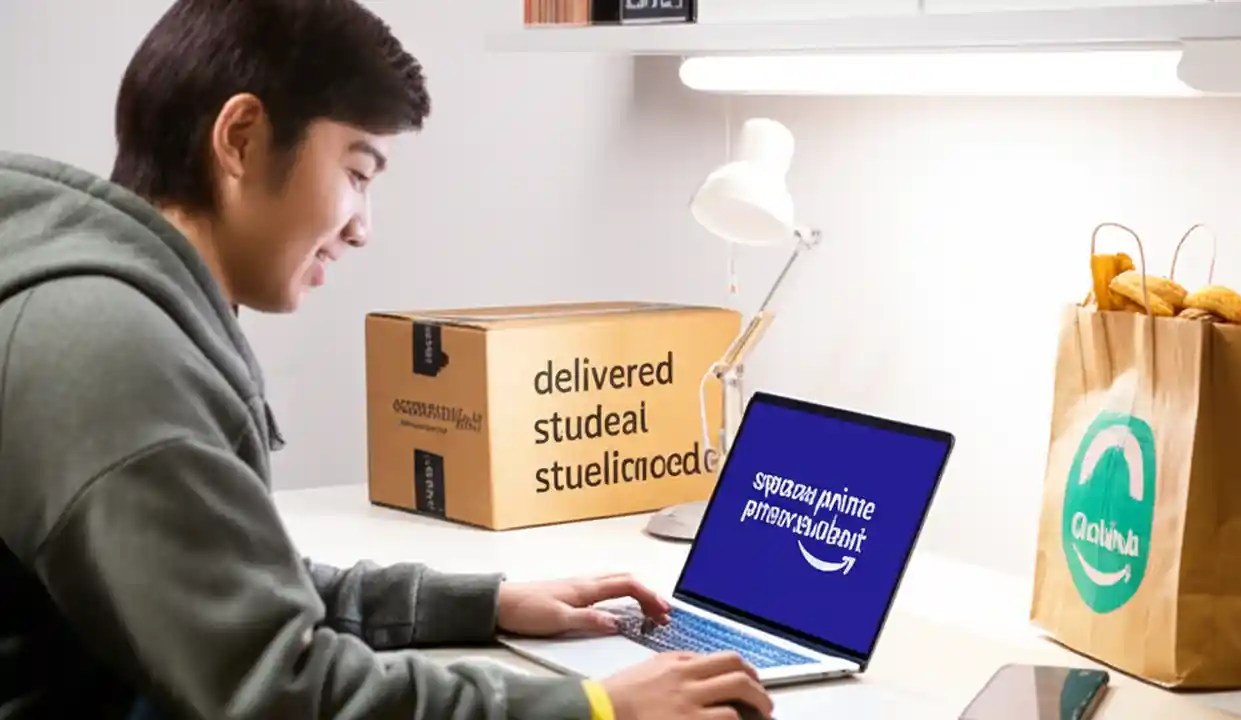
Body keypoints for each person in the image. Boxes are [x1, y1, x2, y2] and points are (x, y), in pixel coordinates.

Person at [0, 1, 775, 719]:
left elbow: (225, 585)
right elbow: (280, 691)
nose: (362, 227)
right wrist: (595, 709)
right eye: (356, 173)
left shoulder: (97, 303)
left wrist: (484, 604)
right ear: (241, 139)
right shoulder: (112, 355)